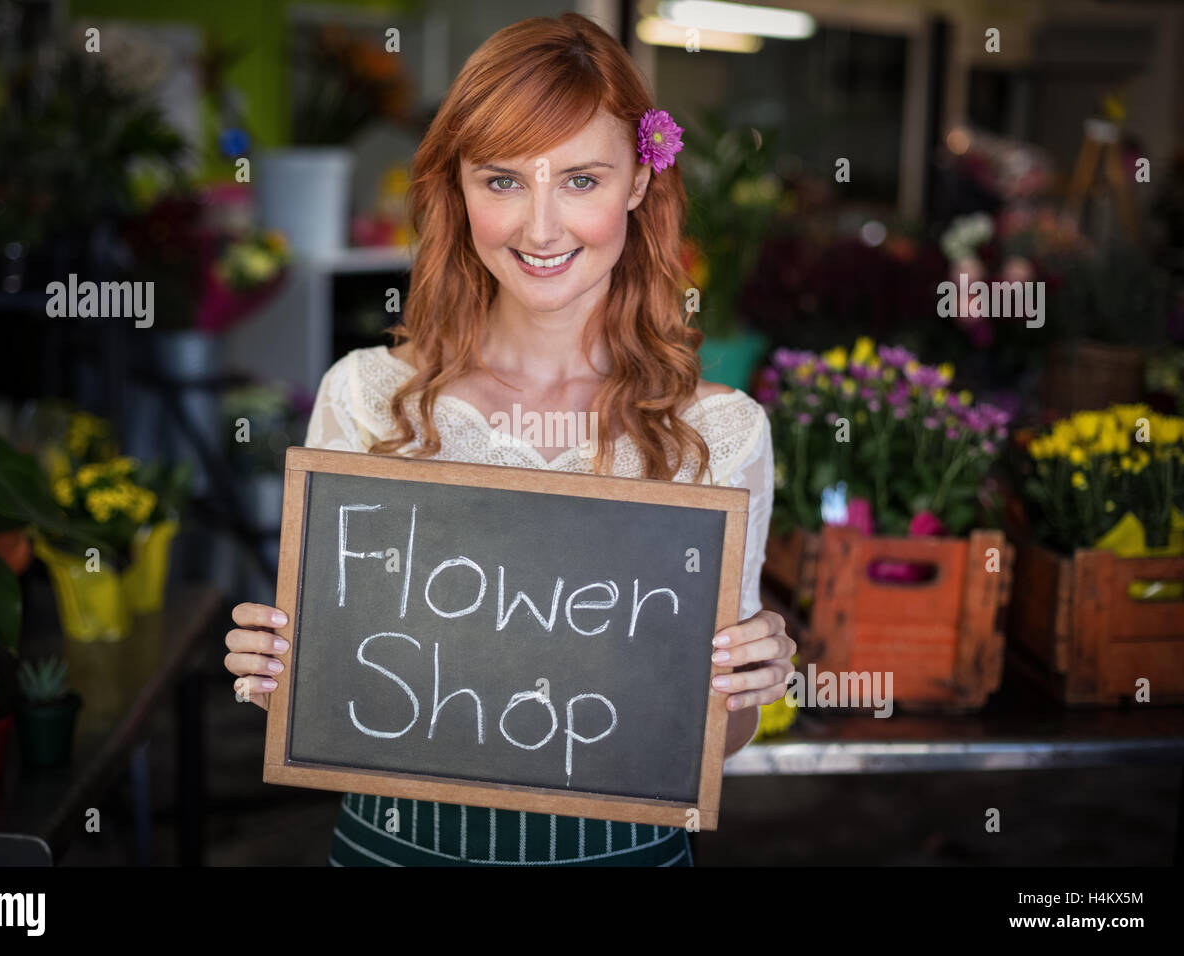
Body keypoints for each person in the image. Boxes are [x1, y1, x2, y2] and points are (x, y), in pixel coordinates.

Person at [224, 12, 794, 866]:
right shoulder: (366, 398)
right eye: (501, 182)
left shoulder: (717, 434)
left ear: (639, 182)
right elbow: (324, 702)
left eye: (580, 180)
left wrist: (753, 681)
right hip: (393, 851)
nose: (539, 229)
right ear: (456, 186)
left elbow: (717, 735)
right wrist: (269, 674)